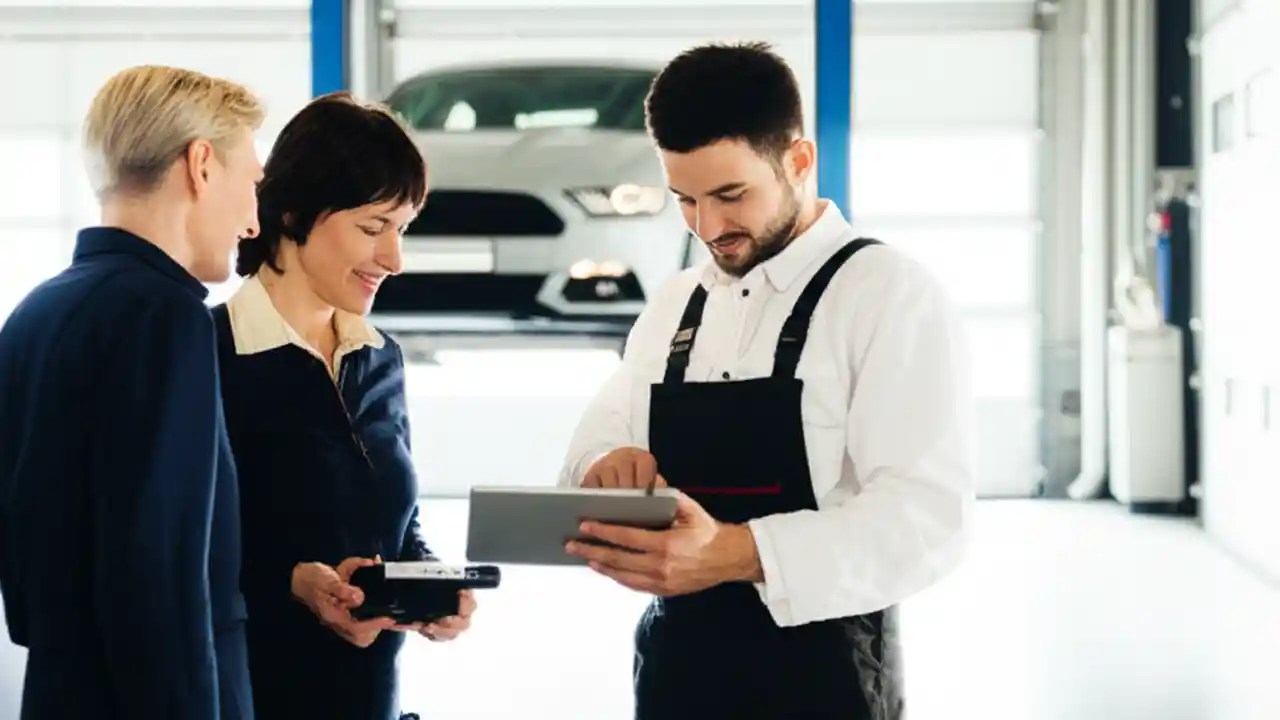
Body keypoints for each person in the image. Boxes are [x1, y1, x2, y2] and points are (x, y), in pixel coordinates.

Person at [559, 42, 975, 719]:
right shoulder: (674, 307)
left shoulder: (887, 295)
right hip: (677, 672)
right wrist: (605, 464)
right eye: (684, 200)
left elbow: (927, 519)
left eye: (731, 195)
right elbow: (594, 439)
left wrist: (734, 552)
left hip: (826, 677)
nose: (708, 227)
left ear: (798, 161)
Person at [0, 65, 264, 718]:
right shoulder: (164, 316)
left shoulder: (37, 311)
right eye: (251, 185)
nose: (253, 222)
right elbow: (161, 581)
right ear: (201, 164)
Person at [211, 92, 475, 720]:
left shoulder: (379, 356)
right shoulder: (209, 355)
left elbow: (396, 524)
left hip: (369, 700)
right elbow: (181, 553)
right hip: (252, 697)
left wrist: (430, 584)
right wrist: (294, 584)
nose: (394, 259)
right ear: (296, 212)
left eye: (401, 230)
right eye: (372, 228)